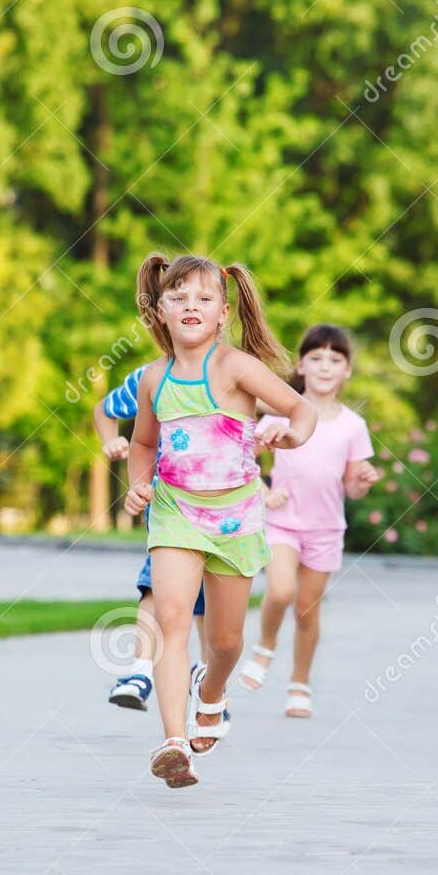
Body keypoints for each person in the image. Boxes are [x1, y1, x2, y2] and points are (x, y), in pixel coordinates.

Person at [124, 253, 317, 788]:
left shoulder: (235, 367)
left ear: (223, 312)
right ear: (159, 310)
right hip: (175, 515)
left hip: (235, 520)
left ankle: (210, 694)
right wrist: (138, 485)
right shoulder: (153, 378)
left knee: (226, 642)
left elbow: (301, 411)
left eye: (204, 298)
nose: (191, 306)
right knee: (171, 622)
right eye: (178, 297)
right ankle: (173, 742)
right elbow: (143, 443)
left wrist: (291, 434)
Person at [237, 324, 380, 717]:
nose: (325, 366)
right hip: (281, 522)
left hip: (326, 529)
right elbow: (242, 459)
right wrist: (265, 493)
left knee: (306, 609)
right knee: (281, 591)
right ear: (300, 365)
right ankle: (265, 647)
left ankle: (299, 684)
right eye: (316, 358)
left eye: (335, 359)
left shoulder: (353, 426)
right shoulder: (282, 415)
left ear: (347, 370)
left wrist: (362, 482)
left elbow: (352, 488)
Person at [92, 365, 207, 710]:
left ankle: (209, 684)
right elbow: (105, 409)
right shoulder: (151, 376)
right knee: (155, 585)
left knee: (210, 601)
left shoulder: (230, 371)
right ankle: (139, 672)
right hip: (166, 504)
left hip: (221, 511)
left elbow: (273, 406)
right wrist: (110, 440)